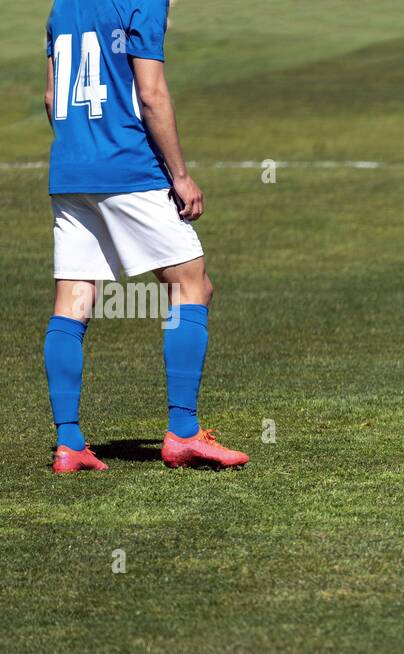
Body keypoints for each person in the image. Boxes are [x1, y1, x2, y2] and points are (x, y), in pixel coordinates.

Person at [43, 0, 248, 472]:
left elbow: (54, 100)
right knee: (192, 284)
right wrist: (180, 175)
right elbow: (151, 93)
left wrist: (85, 150)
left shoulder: (62, 6)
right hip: (130, 168)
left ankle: (69, 443)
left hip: (71, 172)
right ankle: (184, 433)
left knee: (74, 298)